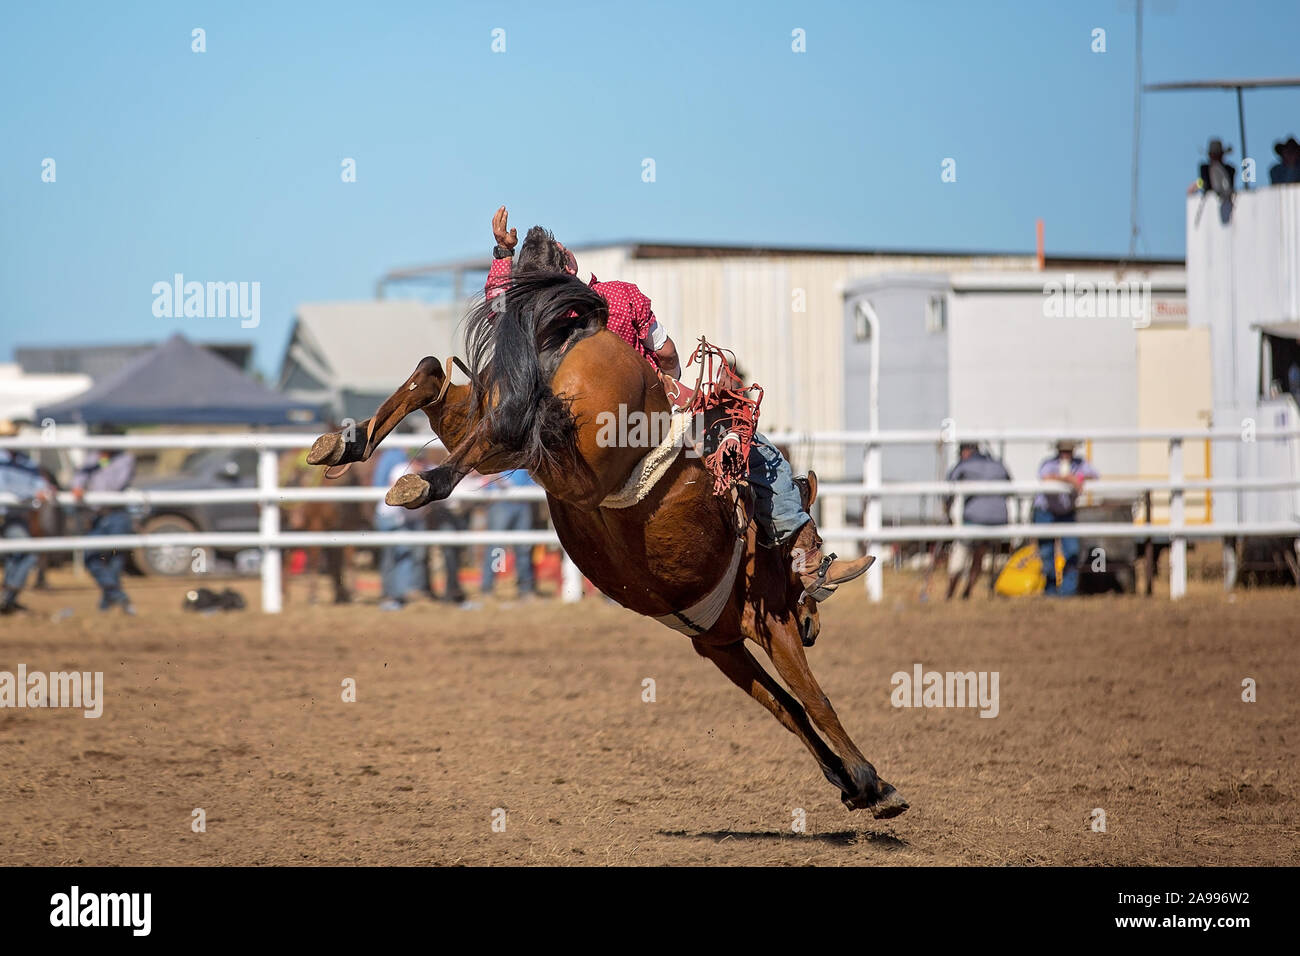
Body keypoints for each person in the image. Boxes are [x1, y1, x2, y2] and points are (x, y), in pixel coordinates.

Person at [485, 206, 873, 600]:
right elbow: (668, 354)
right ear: (567, 259)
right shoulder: (620, 296)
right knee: (754, 449)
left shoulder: (526, 320)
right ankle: (807, 560)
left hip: (575, 442)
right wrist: (668, 379)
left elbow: (496, 308)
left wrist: (502, 255)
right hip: (649, 425)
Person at [72, 437, 137, 614]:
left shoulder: (125, 459)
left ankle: (107, 602)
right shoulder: (92, 458)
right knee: (91, 556)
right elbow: (78, 477)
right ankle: (119, 597)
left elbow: (115, 486)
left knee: (115, 558)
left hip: (116, 514)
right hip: (97, 515)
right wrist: (77, 487)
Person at [943, 442, 1011, 600]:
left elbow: (948, 488)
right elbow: (1009, 484)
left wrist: (947, 511)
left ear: (965, 452)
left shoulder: (965, 464)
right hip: (998, 520)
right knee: (979, 555)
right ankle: (967, 592)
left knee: (961, 553)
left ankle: (949, 594)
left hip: (974, 518)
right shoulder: (997, 463)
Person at [1032, 440, 1099, 597]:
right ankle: (1050, 589)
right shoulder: (1049, 463)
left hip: (1066, 511)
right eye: (1063, 451)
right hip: (1045, 510)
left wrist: (1079, 477)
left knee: (1072, 550)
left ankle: (1068, 591)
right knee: (1047, 552)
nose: (1066, 454)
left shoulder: (1079, 463)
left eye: (1068, 451)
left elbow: (1095, 475)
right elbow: (1045, 477)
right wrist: (1068, 478)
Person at [0, 421, 53, 615]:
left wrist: (43, 490)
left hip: (13, 516)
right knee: (23, 552)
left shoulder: (25, 461)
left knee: (26, 553)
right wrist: (31, 492)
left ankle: (8, 597)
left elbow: (39, 483)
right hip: (10, 515)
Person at [374, 452, 429, 611]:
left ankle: (399, 594)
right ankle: (394, 594)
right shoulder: (401, 470)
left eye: (422, 460)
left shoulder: (428, 470)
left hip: (408, 518)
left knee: (406, 554)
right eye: (418, 460)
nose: (420, 463)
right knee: (394, 555)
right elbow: (398, 496)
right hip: (392, 517)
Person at [479, 469, 537, 600]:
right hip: (500, 502)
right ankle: (488, 588)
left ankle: (525, 589)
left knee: (523, 548)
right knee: (496, 548)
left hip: (523, 501)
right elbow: (486, 476)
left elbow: (531, 477)